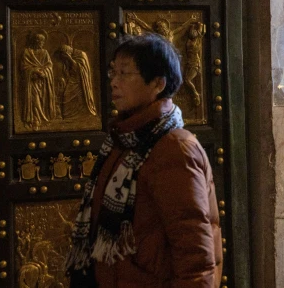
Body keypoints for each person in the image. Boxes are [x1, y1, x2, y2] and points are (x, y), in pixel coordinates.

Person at [65, 33, 221, 287]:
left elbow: (195, 256)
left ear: (158, 83)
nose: (114, 82)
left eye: (124, 73)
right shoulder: (125, 140)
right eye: (113, 72)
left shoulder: (174, 149)